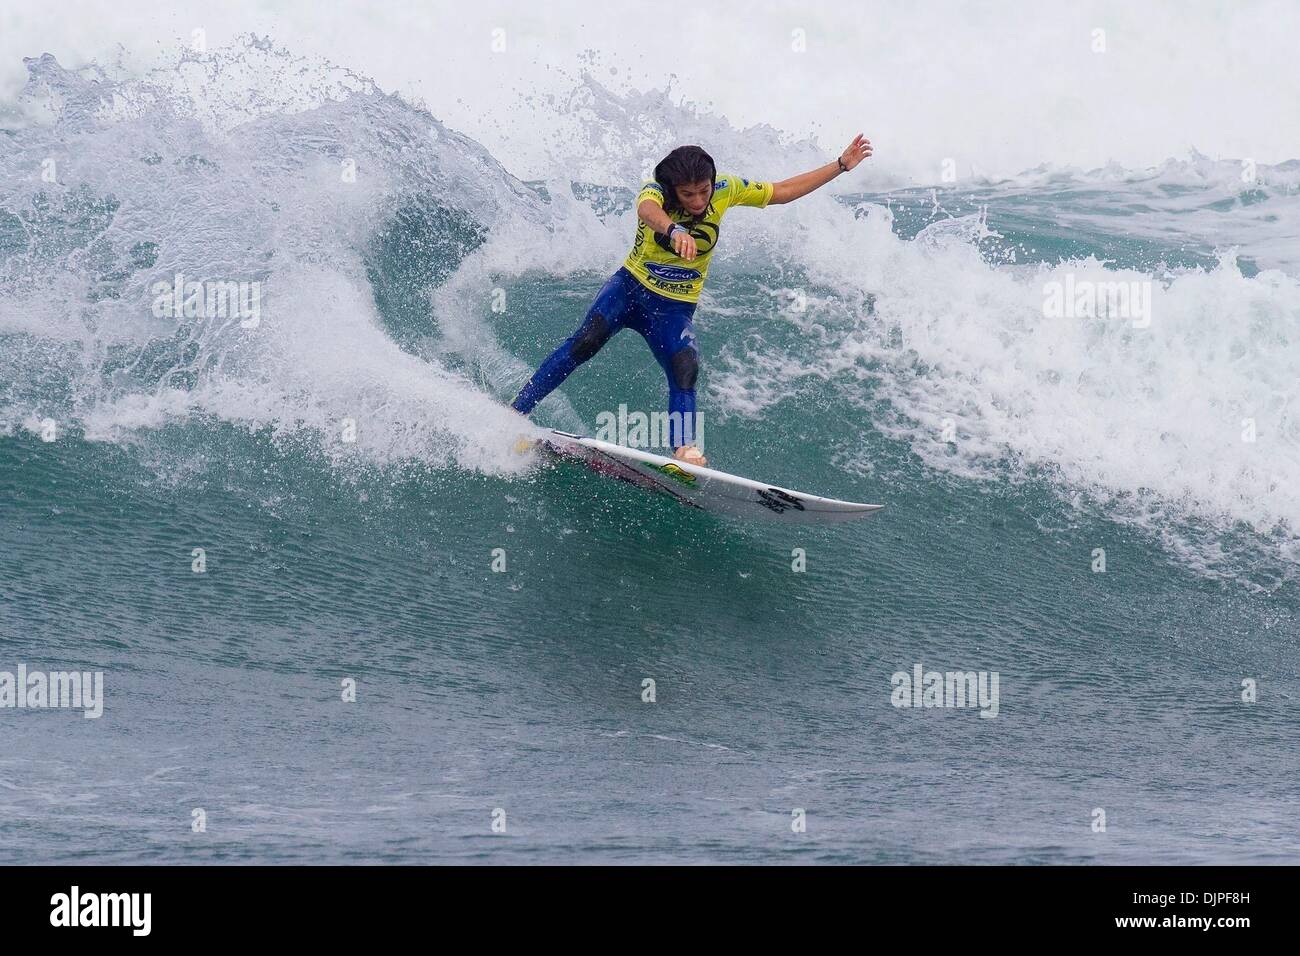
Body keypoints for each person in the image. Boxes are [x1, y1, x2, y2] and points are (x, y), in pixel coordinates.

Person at [512, 135, 873, 467]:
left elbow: (781, 191)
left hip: (673, 307)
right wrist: (673, 229)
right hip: (629, 289)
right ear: (673, 190)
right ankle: (516, 413)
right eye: (688, 195)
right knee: (585, 342)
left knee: (685, 367)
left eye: (703, 192)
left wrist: (840, 165)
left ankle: (683, 449)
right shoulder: (654, 192)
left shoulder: (725, 188)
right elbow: (646, 212)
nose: (699, 202)